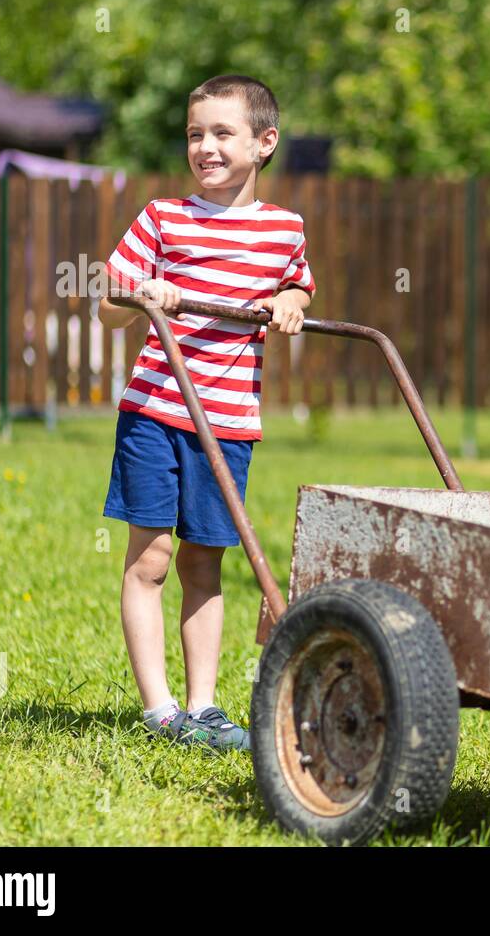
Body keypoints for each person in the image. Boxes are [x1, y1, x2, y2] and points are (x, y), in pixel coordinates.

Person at [97, 75, 314, 751]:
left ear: (264, 144)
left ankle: (204, 708)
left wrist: (291, 304)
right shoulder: (163, 219)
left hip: (226, 423)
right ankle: (159, 709)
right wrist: (144, 295)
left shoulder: (284, 228)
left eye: (223, 134)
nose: (206, 147)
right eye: (196, 134)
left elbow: (298, 283)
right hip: (156, 411)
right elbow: (107, 303)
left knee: (205, 563)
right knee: (152, 557)